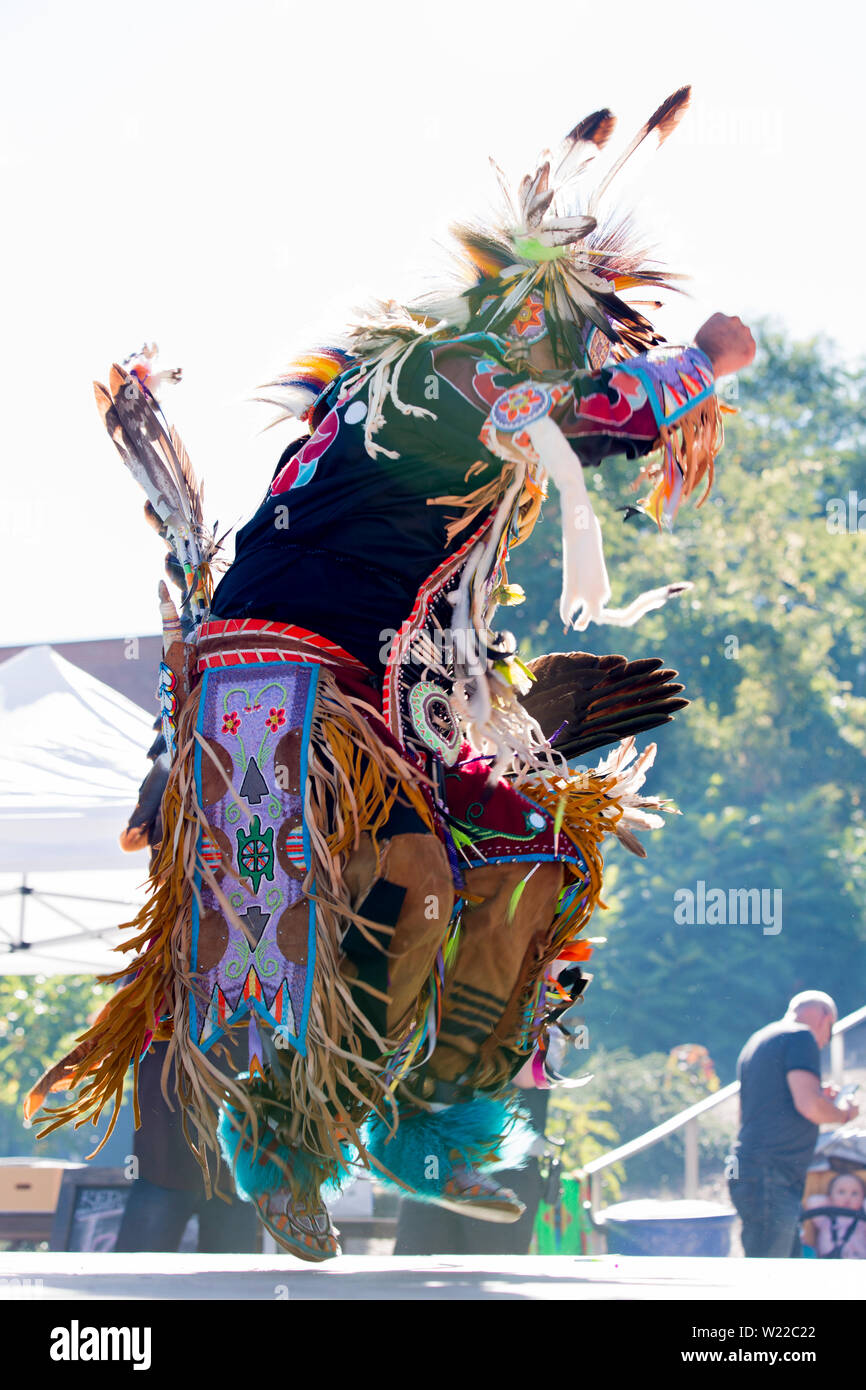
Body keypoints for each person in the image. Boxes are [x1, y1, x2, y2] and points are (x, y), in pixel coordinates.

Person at [28, 86, 755, 1262]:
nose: (554, 360)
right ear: (522, 317)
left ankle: (434, 1124)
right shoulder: (434, 372)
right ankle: (284, 1128)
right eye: (559, 337)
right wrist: (709, 359)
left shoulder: (447, 430)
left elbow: (440, 629)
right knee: (401, 872)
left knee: (525, 850)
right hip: (277, 683)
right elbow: (594, 412)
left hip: (364, 699)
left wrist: (524, 722)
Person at [728, 992, 859, 1258]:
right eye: (828, 1035)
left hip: (751, 1168)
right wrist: (843, 1113)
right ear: (826, 1019)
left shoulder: (761, 1039)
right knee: (771, 1278)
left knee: (788, 1273)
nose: (823, 1044)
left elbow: (760, 1106)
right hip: (771, 1174)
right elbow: (809, 1106)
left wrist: (818, 1093)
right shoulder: (802, 1037)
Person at [803, 1171, 866, 1259]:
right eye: (841, 1192)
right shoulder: (825, 1217)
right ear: (830, 1196)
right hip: (827, 1260)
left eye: (854, 1193)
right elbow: (812, 1202)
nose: (848, 1197)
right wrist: (830, 1201)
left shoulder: (862, 1221)